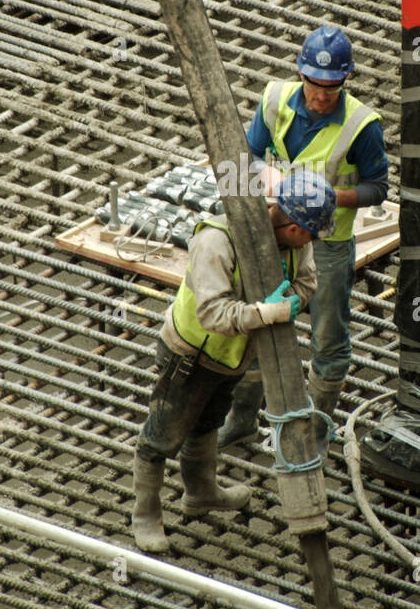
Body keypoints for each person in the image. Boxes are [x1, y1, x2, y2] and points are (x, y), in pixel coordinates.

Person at [131, 170, 336, 553]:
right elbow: (213, 313)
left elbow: (308, 281)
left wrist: (292, 300)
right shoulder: (216, 242)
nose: (313, 242)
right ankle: (145, 514)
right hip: (190, 355)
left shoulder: (297, 242)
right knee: (162, 435)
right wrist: (265, 314)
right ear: (293, 226)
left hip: (232, 360)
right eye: (311, 234)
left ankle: (201, 492)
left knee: (206, 423)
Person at [219, 24, 389, 446]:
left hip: (326, 244)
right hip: (276, 233)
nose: (321, 95)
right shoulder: (275, 100)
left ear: (345, 81)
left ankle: (313, 430)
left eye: (331, 87)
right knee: (259, 321)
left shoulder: (361, 125)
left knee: (328, 336)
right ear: (301, 74)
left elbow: (378, 187)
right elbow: (249, 155)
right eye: (315, 84)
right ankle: (242, 419)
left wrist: (332, 197)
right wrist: (265, 177)